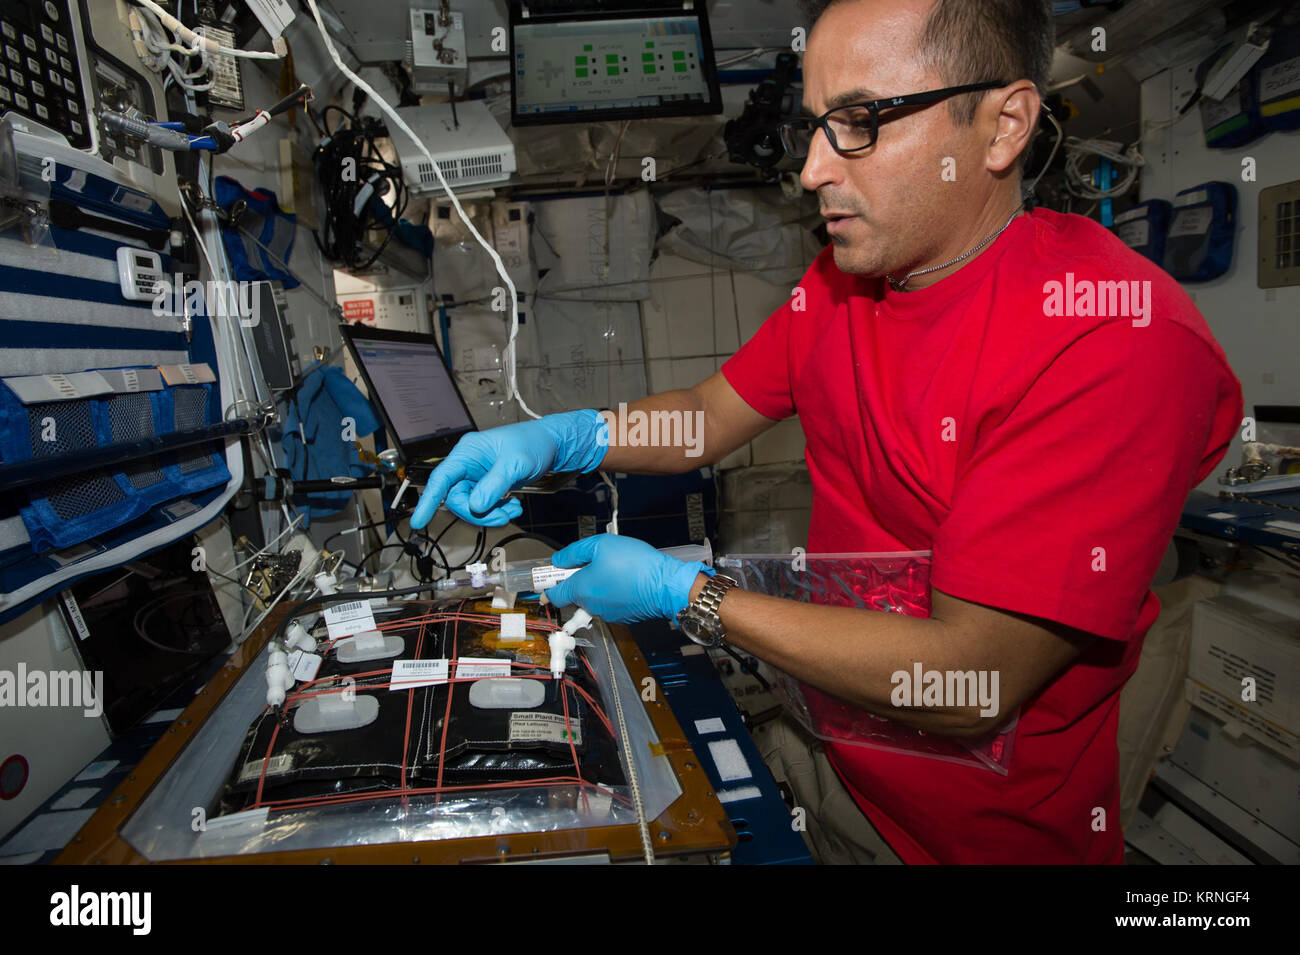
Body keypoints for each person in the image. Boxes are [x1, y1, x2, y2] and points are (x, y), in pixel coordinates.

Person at [411, 0, 1242, 863]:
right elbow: (710, 413)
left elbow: (974, 677)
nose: (811, 170)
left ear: (1002, 127)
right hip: (834, 760)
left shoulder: (1111, 341)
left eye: (858, 123)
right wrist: (561, 438)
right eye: (815, 127)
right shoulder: (846, 283)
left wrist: (683, 595)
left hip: (973, 841)